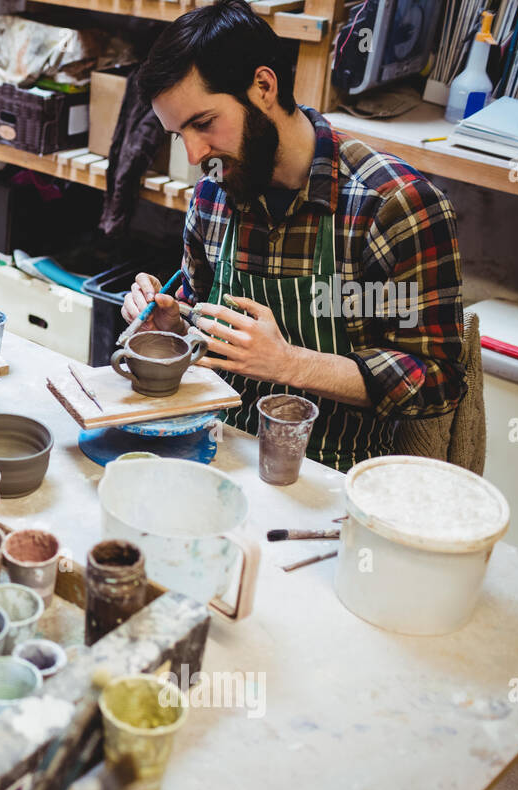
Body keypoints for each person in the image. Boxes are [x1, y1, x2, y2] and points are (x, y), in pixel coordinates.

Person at [121, 0, 465, 471]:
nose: (197, 154)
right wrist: (175, 328)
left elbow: (436, 380)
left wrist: (289, 363)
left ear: (263, 86)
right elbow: (201, 318)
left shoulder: (390, 207)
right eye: (181, 134)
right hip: (216, 447)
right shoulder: (212, 196)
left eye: (203, 123)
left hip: (329, 472)